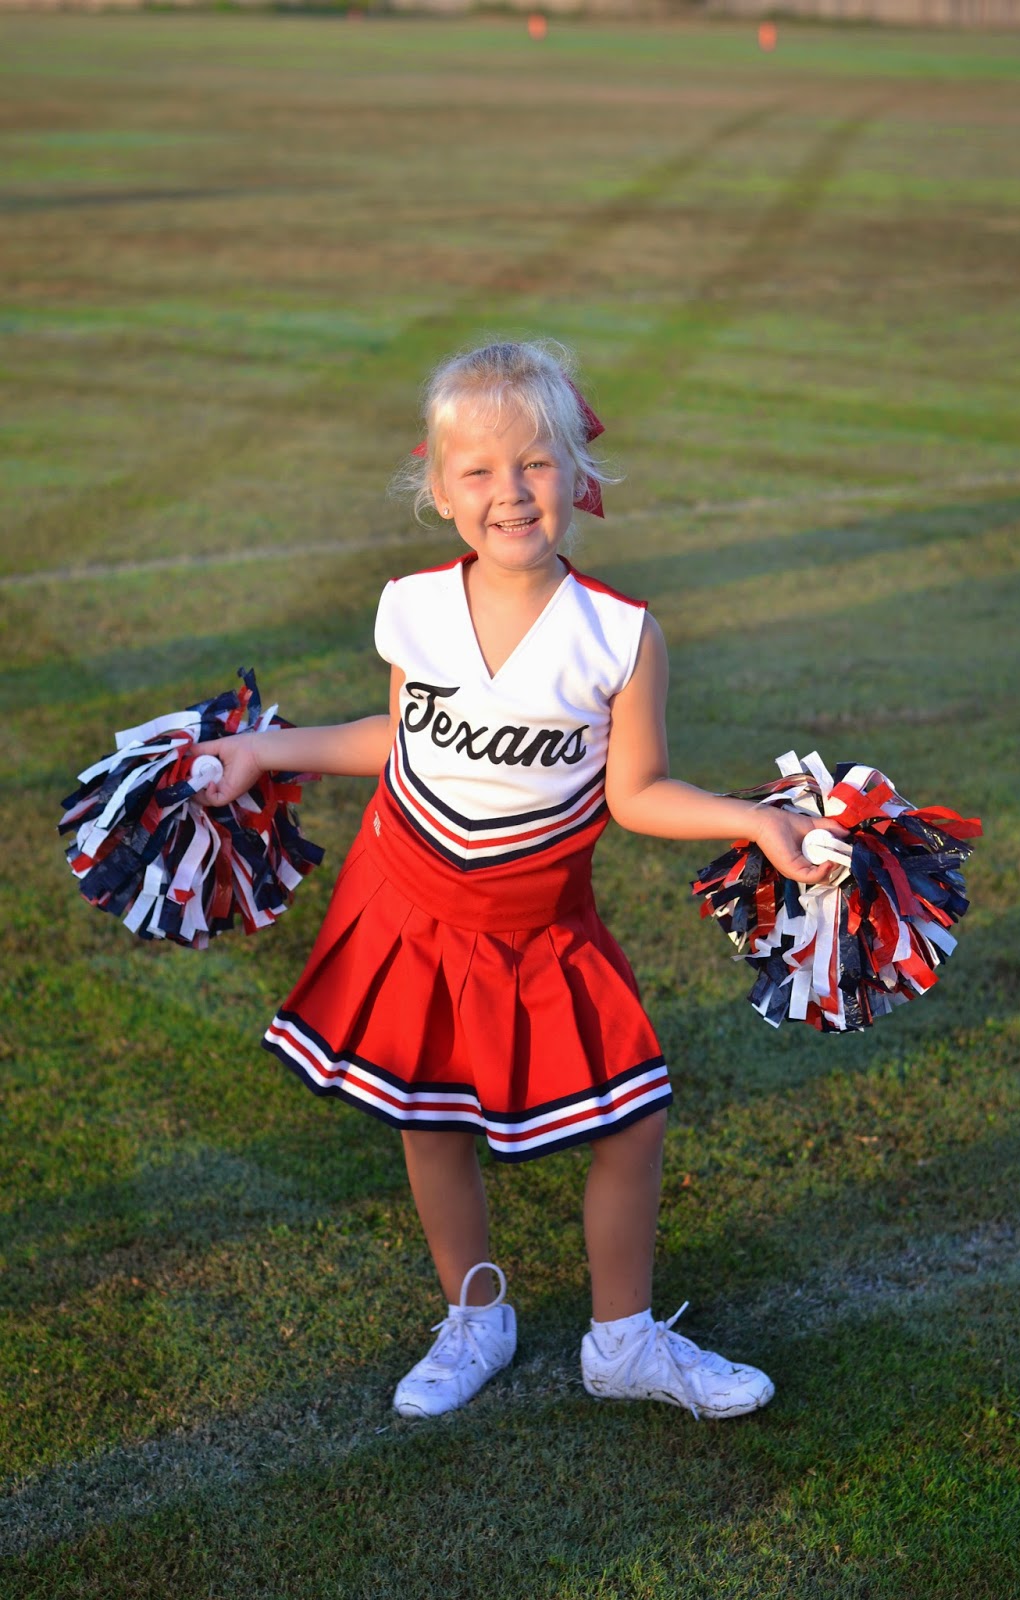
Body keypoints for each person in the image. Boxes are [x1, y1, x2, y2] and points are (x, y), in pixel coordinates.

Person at [194, 341, 835, 1423]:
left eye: (534, 464)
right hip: (410, 898)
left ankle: (622, 1339)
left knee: (631, 1114)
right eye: (480, 471)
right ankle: (476, 1309)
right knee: (428, 1108)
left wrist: (758, 822)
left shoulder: (619, 636)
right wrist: (270, 749)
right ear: (439, 489)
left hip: (540, 920)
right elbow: (399, 736)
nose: (509, 492)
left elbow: (635, 793)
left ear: (576, 473)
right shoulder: (412, 606)